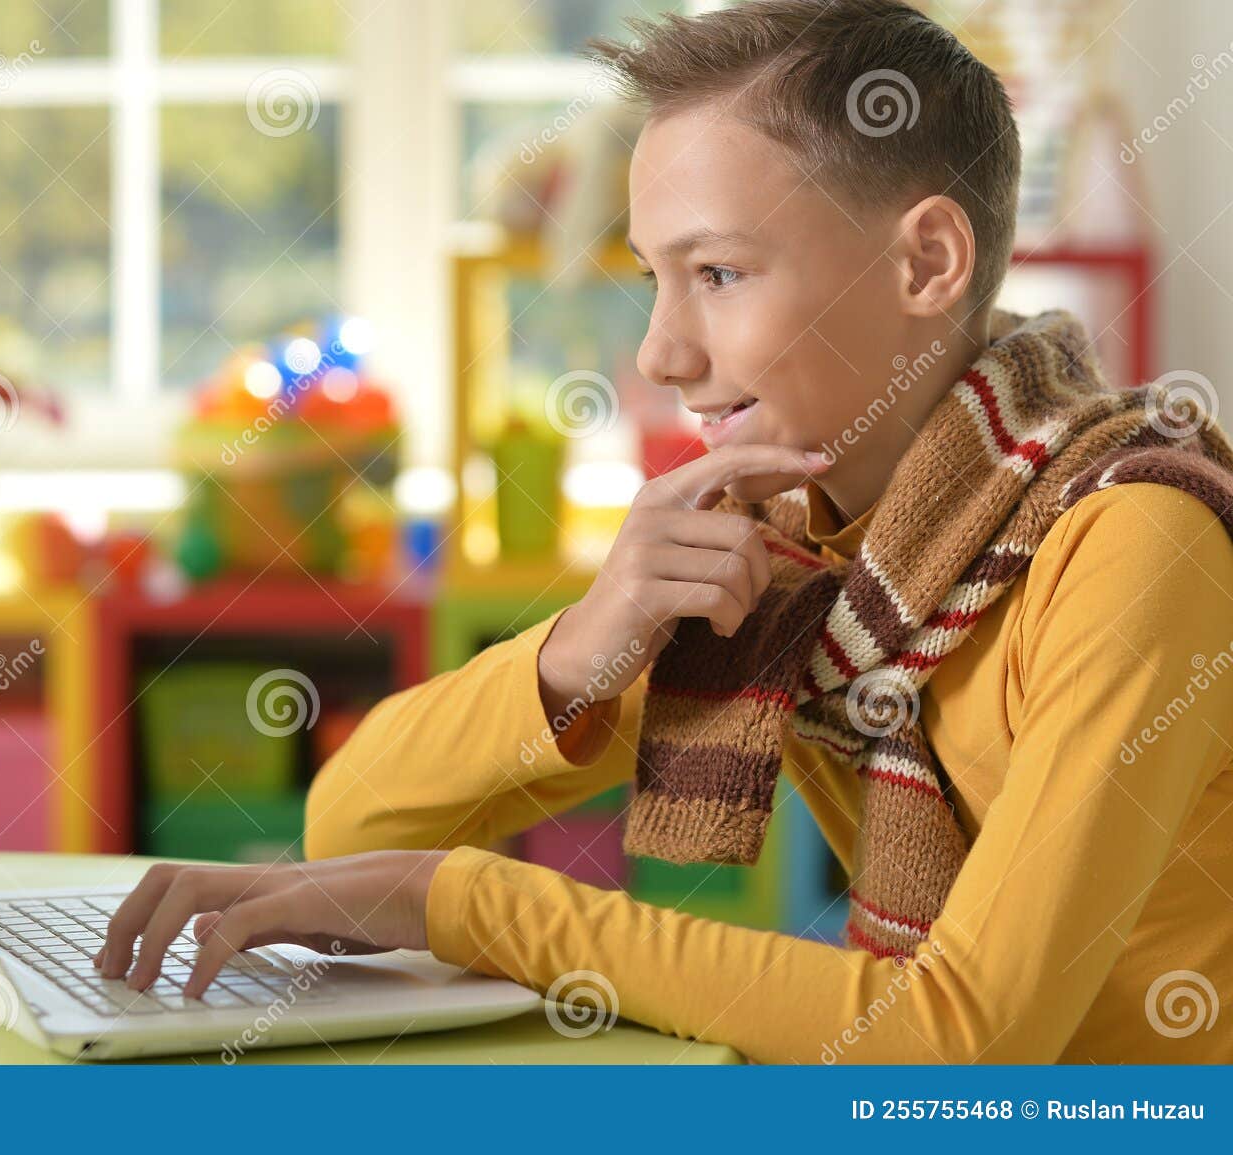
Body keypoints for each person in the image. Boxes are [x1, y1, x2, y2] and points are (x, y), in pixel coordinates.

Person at [96, 0, 1233, 1062]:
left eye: (720, 273)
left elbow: (966, 1036)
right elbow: (353, 825)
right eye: (654, 279)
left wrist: (473, 905)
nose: (660, 354)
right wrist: (583, 646)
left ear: (925, 261)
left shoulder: (1132, 538)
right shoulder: (796, 543)